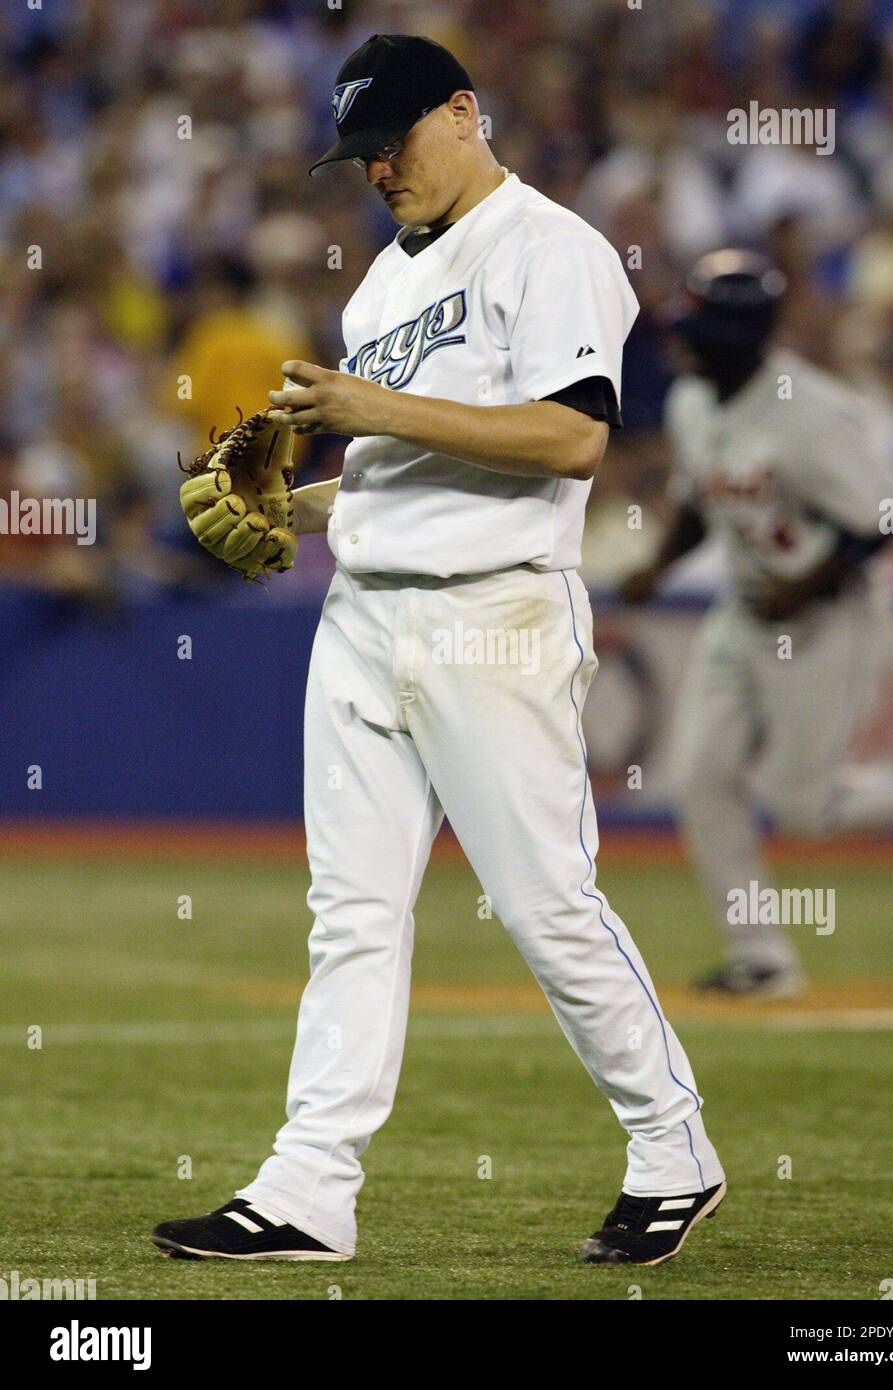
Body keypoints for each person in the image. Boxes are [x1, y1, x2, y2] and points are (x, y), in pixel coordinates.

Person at [152, 34, 725, 1267]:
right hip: (365, 612)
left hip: (496, 613)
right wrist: (292, 506)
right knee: (351, 912)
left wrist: (372, 410)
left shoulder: (552, 247)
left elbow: (573, 439)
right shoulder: (378, 289)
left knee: (545, 904)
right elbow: (401, 466)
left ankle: (673, 1145)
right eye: (357, 154)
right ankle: (310, 1189)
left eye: (392, 141)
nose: (376, 170)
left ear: (465, 111)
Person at [622, 249, 893, 998]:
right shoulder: (692, 400)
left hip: (829, 621)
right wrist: (661, 565)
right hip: (742, 613)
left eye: (698, 326)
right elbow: (698, 500)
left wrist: (806, 588)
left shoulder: (812, 409)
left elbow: (886, 515)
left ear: (741, 334)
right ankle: (762, 959)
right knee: (703, 779)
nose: (682, 339)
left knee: (803, 809)